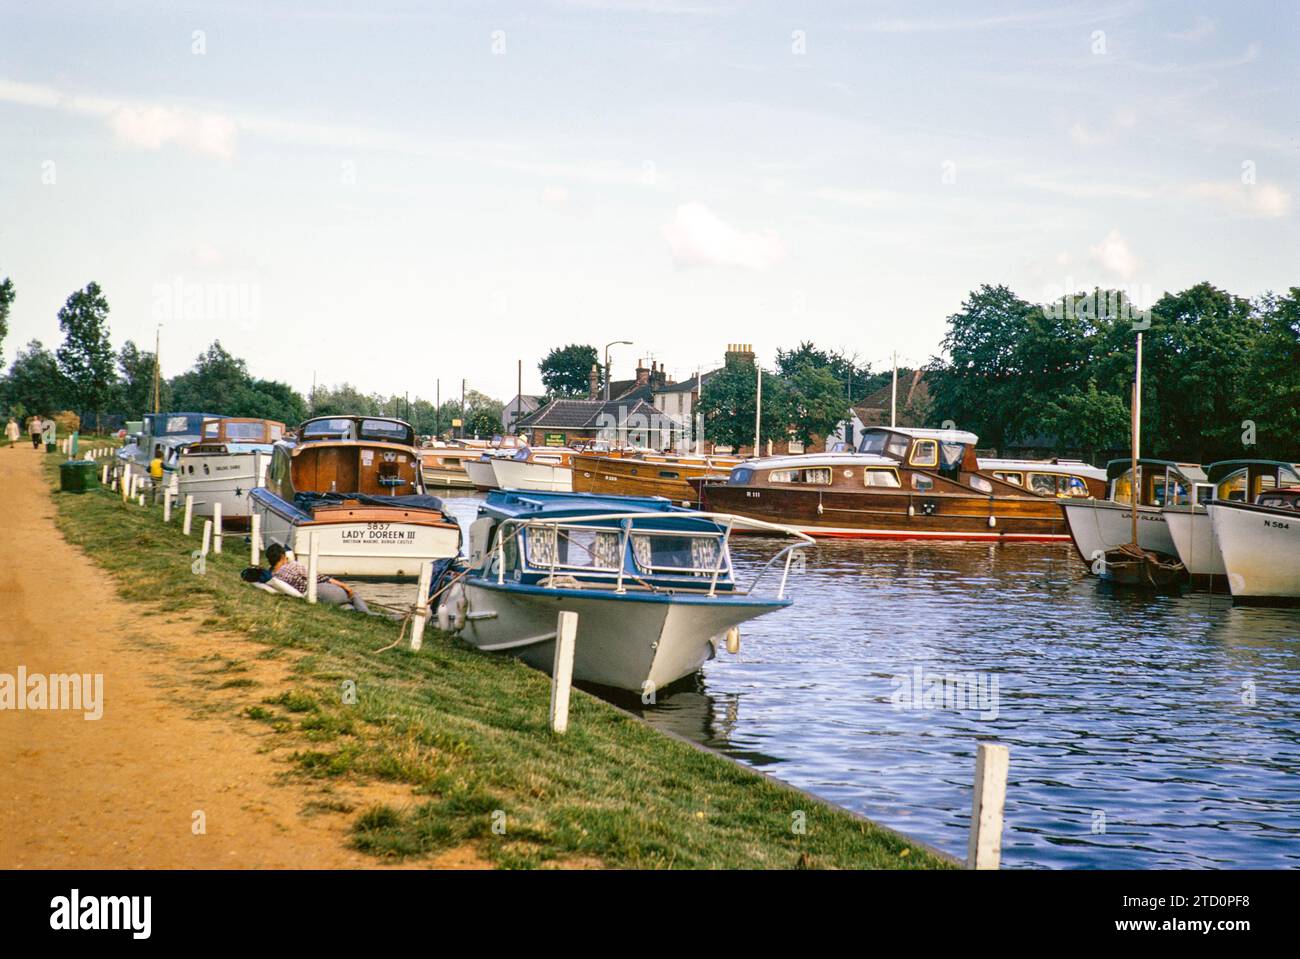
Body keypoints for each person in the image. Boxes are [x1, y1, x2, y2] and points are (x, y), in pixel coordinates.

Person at [263, 543, 371, 613]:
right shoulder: (292, 565)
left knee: (347, 607)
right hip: (318, 590)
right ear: (282, 557)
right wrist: (344, 585)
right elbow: (318, 577)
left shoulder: (273, 575)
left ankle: (357, 612)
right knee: (352, 595)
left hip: (312, 596)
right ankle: (368, 615)